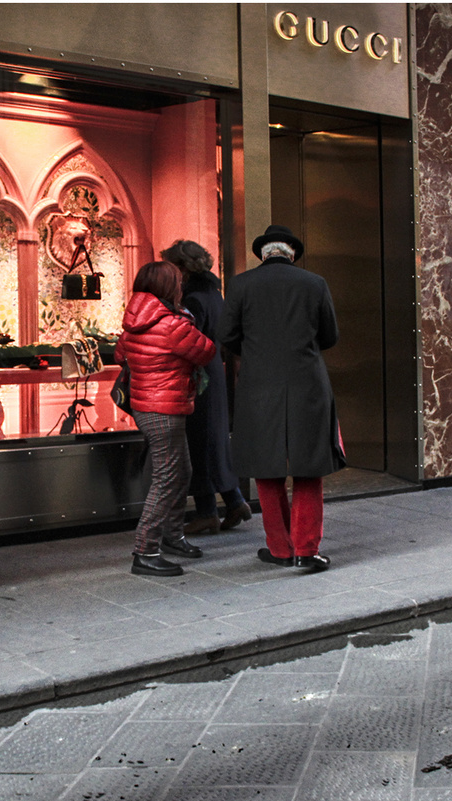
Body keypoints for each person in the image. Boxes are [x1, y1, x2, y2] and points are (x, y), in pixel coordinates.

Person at [219, 225, 341, 571]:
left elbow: (226, 335)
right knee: (308, 467)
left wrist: (257, 353)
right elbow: (330, 335)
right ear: (290, 253)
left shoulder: (241, 285)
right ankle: (306, 549)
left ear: (263, 253)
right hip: (308, 385)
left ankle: (280, 549)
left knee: (266, 469)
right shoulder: (314, 283)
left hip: (258, 387)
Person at [115, 259, 215, 577]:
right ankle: (145, 551)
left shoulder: (134, 320)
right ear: (167, 287)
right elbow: (206, 351)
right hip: (165, 410)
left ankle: (173, 537)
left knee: (180, 471)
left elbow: (120, 355)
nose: (182, 286)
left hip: (148, 407)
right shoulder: (172, 324)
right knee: (167, 479)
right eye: (177, 282)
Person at [160, 239, 250, 536]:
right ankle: (234, 501)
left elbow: (188, 342)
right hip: (213, 372)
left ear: (184, 268)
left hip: (199, 376)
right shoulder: (214, 293)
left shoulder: (194, 299)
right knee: (213, 441)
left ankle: (207, 512)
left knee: (199, 443)